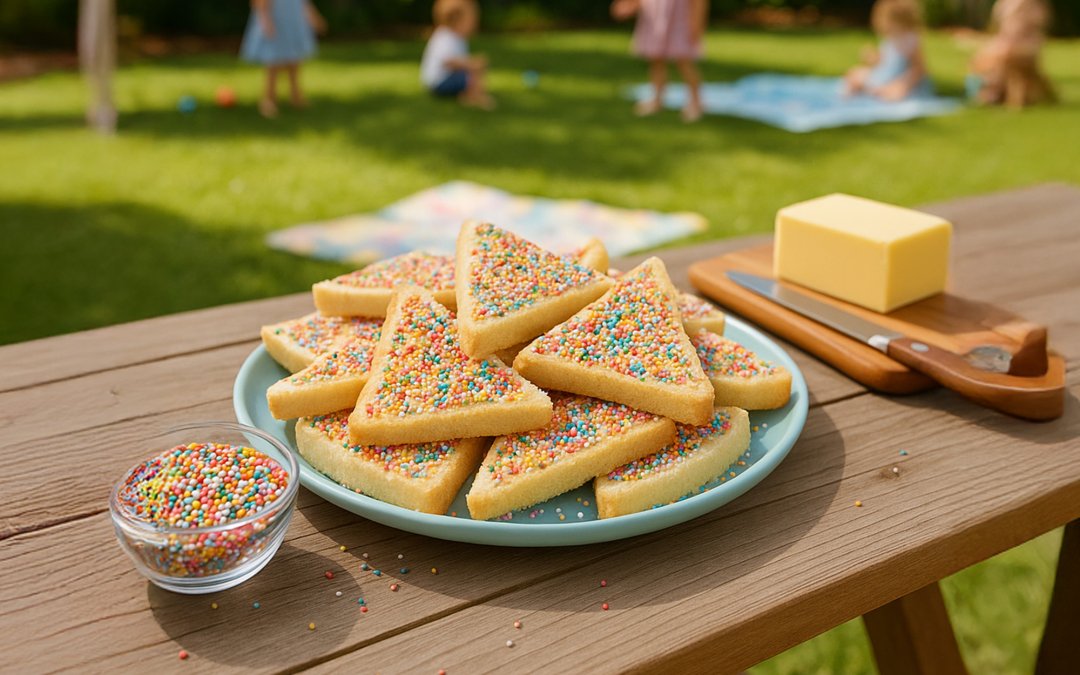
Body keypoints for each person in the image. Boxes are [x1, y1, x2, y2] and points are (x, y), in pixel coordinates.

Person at [612, 0, 709, 122]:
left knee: (684, 62)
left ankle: (696, 102)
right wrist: (629, 6)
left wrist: (697, 22)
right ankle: (657, 100)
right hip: (655, 21)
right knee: (656, 61)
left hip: (680, 23)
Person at [241, 0, 326, 118]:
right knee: (273, 64)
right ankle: (269, 100)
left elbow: (303, 3)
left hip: (293, 24)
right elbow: (260, 4)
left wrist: (313, 17)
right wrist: (265, 21)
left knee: (294, 62)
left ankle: (296, 96)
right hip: (276, 24)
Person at [971, 0, 1055, 108]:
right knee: (984, 61)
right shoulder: (1006, 3)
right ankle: (994, 92)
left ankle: (997, 93)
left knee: (1000, 59)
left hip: (1024, 45)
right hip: (1008, 43)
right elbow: (999, 27)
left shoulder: (1032, 5)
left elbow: (1036, 25)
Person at [843, 0, 931, 101]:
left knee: (893, 92)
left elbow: (919, 69)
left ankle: (873, 91)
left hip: (899, 78)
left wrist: (904, 85)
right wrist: (874, 58)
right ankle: (867, 92)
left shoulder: (909, 41)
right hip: (886, 74)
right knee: (854, 74)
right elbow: (886, 60)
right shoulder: (890, 39)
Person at [420, 0, 495, 110]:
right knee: (470, 74)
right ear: (457, 20)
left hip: (444, 79)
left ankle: (467, 95)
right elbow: (448, 62)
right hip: (438, 82)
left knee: (470, 72)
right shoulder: (446, 37)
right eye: (472, 19)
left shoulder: (457, 37)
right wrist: (471, 64)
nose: (475, 23)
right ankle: (474, 97)